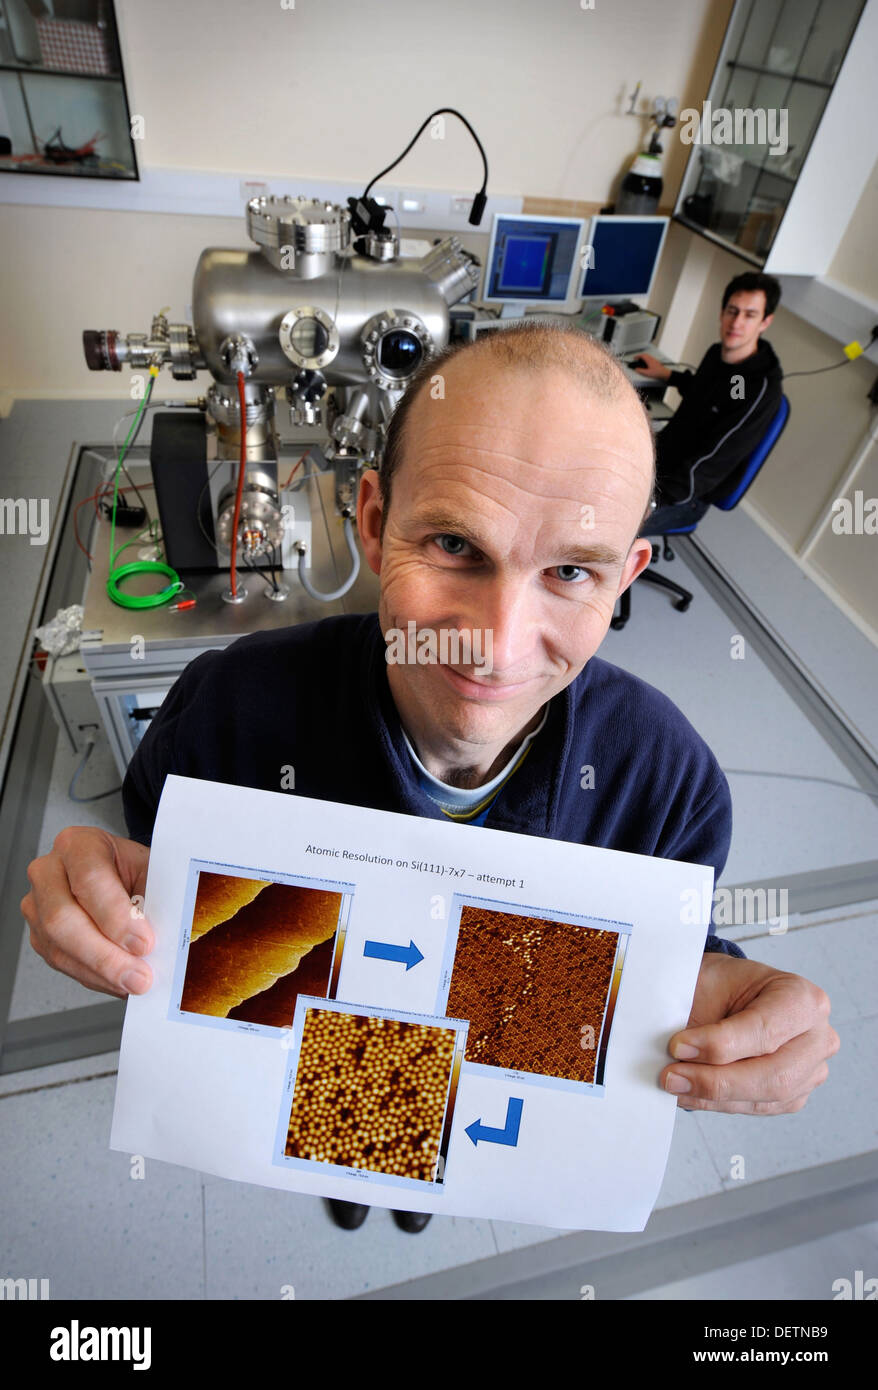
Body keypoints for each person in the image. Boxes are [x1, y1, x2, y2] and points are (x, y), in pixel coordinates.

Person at [21, 322, 838, 1238]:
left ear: (626, 580)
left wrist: (718, 998)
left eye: (571, 571)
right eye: (454, 545)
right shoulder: (231, 712)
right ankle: (358, 1182)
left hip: (491, 1081)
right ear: (373, 523)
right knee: (353, 1154)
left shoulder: (665, 785)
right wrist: (105, 905)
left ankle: (415, 1199)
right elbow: (162, 879)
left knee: (426, 1180)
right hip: (316, 1055)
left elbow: (660, 960)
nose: (494, 641)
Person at [634, 272, 783, 535]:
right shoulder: (719, 356)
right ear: (722, 312)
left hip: (685, 496)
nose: (736, 323)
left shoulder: (756, 387)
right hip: (661, 461)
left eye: (749, 315)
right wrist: (667, 375)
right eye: (732, 311)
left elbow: (714, 459)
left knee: (604, 528)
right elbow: (710, 396)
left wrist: (654, 502)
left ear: (765, 322)